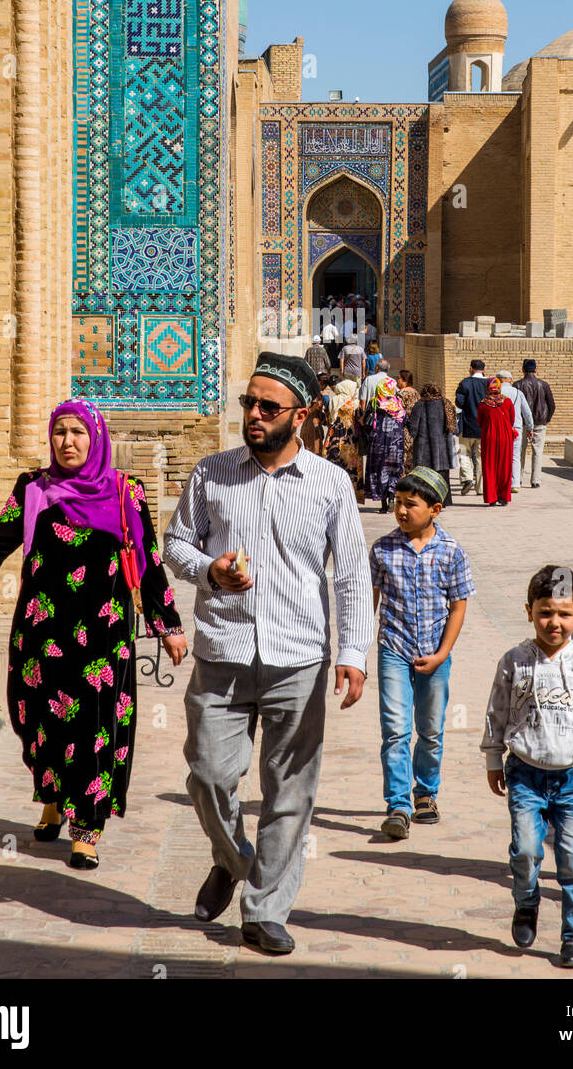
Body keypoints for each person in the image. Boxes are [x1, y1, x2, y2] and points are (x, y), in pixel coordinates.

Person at [162, 354, 374, 956]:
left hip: (299, 657)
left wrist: (353, 652)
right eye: (248, 404)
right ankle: (234, 859)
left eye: (268, 407)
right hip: (224, 650)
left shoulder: (331, 484)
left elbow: (352, 577)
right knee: (207, 775)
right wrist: (210, 571)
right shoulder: (212, 473)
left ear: (300, 416)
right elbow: (175, 544)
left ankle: (265, 910)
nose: (253, 416)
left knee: (289, 792)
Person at [0, 399, 186, 869]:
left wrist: (168, 626)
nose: (68, 442)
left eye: (78, 433)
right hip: (39, 632)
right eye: (60, 433)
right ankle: (52, 797)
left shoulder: (126, 492)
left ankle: (87, 825)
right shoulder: (34, 490)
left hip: (103, 639)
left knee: (93, 728)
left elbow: (148, 561)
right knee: (39, 721)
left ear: (97, 438)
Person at [481, 564, 573, 969]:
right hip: (525, 775)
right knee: (527, 851)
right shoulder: (514, 661)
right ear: (529, 611)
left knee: (572, 861)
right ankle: (526, 901)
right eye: (545, 612)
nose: (554, 622)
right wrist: (494, 757)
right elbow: (496, 712)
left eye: (565, 614)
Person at [371, 468, 474, 839]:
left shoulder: (451, 552)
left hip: (435, 655)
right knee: (395, 730)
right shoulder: (383, 549)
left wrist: (442, 653)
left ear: (435, 509)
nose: (401, 511)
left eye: (410, 505)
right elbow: (372, 599)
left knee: (430, 731)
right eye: (398, 503)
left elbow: (458, 607)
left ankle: (425, 794)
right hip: (393, 651)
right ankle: (397, 805)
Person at [408, 383, 458, 507]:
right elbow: (453, 426)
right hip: (443, 447)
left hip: (423, 447)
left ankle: (426, 500)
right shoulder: (445, 404)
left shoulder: (419, 405)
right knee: (442, 475)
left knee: (423, 476)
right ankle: (444, 500)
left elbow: (413, 429)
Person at [363, 376, 406, 513]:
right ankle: (392, 497)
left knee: (380, 469)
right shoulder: (398, 402)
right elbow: (404, 420)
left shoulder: (375, 402)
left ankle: (383, 505)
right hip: (396, 441)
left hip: (379, 440)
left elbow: (366, 420)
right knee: (393, 469)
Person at [514, 359, 556, 488]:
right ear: (536, 369)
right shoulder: (543, 385)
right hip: (539, 422)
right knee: (537, 452)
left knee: (520, 451)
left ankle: (518, 479)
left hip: (522, 423)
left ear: (523, 370)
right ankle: (535, 480)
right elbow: (551, 405)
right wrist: (547, 418)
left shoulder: (517, 385)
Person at [323, 378, 365, 504]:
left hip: (334, 436)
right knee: (350, 466)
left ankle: (330, 493)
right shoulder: (355, 403)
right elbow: (360, 420)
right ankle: (350, 495)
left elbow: (328, 419)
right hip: (350, 438)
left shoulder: (333, 401)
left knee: (333, 464)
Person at [477, 377, 516, 506]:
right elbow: (512, 420)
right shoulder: (508, 402)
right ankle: (503, 497)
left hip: (489, 438)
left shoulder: (483, 404)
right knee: (505, 467)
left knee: (489, 467)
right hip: (505, 438)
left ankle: (492, 497)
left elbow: (480, 422)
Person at [454, 359, 488, 496]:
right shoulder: (489, 384)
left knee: (464, 453)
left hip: (467, 425)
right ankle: (480, 488)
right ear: (483, 369)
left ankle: (467, 478)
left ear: (471, 368)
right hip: (484, 427)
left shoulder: (465, 383)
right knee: (481, 457)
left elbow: (459, 403)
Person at [498, 370, 534, 495]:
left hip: (499, 428)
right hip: (515, 428)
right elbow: (527, 412)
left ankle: (501, 482)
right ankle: (515, 483)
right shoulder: (518, 393)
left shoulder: (494, 393)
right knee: (515, 456)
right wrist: (530, 427)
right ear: (510, 380)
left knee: (500, 455)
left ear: (498, 379)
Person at [396, 371, 420, 472]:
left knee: (404, 454)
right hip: (415, 427)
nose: (397, 381)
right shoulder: (416, 393)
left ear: (404, 380)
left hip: (404, 428)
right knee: (412, 453)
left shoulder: (401, 394)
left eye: (399, 378)